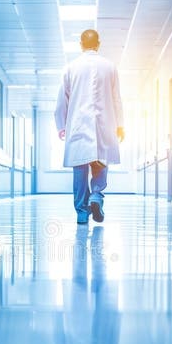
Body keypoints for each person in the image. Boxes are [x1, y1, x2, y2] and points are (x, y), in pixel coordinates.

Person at [54, 29, 125, 225]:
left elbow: (62, 100)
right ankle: (96, 196)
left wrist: (61, 125)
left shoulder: (71, 68)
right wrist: (120, 125)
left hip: (78, 124)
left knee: (80, 167)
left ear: (81, 44)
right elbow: (116, 98)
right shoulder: (110, 67)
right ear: (98, 44)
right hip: (104, 124)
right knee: (100, 161)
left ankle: (82, 212)